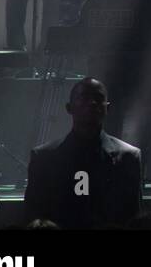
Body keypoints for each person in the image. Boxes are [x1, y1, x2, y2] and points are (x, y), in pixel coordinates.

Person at [23, 77, 143, 228]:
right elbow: (34, 215)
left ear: (107, 108)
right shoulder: (44, 157)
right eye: (84, 98)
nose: (92, 103)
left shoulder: (128, 157)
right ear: (69, 107)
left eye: (98, 99)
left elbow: (132, 216)